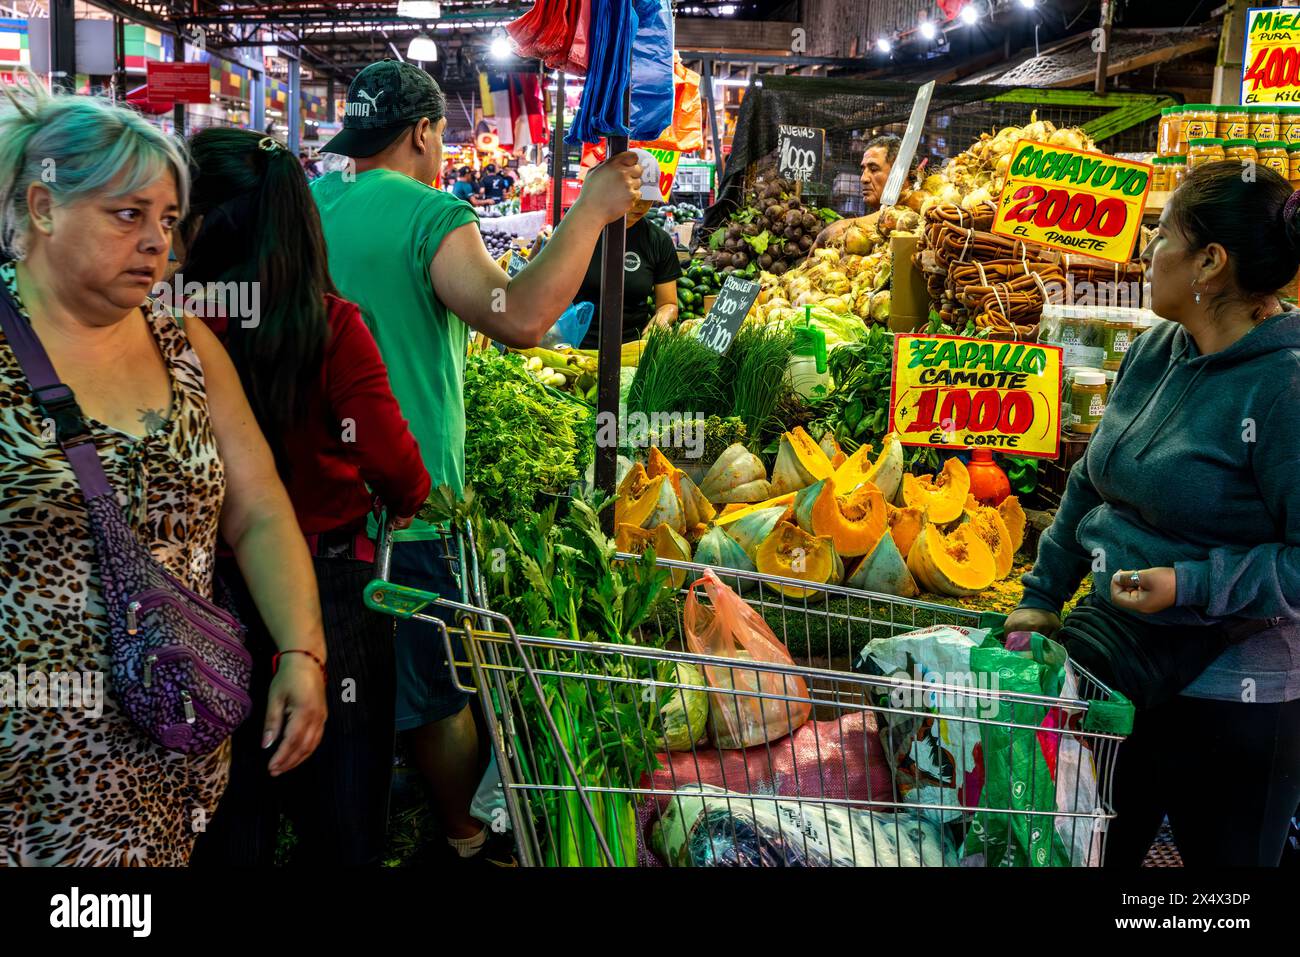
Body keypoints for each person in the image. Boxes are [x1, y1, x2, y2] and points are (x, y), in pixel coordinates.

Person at [311, 59, 639, 864]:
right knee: (434, 689)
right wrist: (593, 212)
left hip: (316, 503)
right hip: (410, 506)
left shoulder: (311, 205)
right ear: (425, 133)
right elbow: (521, 315)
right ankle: (462, 835)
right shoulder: (431, 214)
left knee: (345, 673)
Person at [0, 76, 327, 866]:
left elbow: (258, 511)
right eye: (128, 216)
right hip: (27, 782)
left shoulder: (185, 345)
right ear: (43, 209)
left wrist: (303, 651)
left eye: (169, 220)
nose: (159, 243)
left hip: (171, 753)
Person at [1004, 161, 1300, 867]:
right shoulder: (1153, 350)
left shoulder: (1283, 390)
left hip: (1237, 699)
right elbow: (1090, 481)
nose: (1146, 250)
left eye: (1161, 233)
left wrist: (1192, 582)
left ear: (1210, 261)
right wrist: (1042, 597)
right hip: (1119, 673)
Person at [178, 128, 431, 867]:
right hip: (329, 595)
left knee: (228, 814)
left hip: (202, 594)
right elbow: (396, 465)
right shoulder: (329, 324)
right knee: (343, 814)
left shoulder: (165, 331)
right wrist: (403, 494)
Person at [573, 198, 680, 350]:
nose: (642, 205)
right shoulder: (579, 232)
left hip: (632, 350)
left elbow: (668, 304)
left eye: (649, 199)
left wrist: (661, 320)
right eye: (636, 197)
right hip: (575, 348)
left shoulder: (658, 241)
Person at [812, 133, 910, 248]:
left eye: (873, 169)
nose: (863, 178)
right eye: (863, 169)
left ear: (901, 174)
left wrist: (840, 226)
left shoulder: (919, 214)